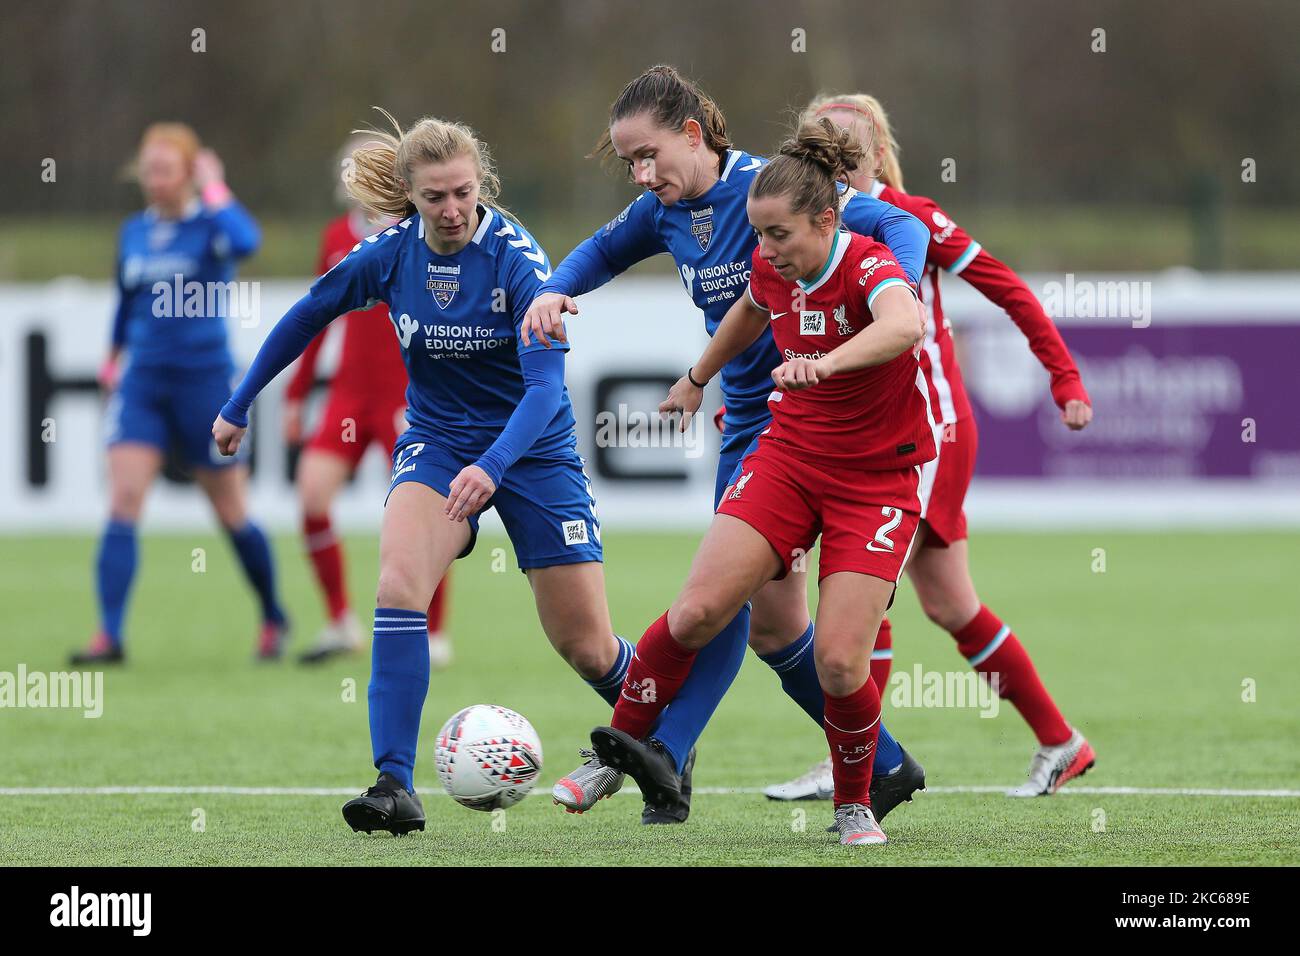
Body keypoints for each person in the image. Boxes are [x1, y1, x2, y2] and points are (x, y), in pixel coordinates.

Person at [525, 65, 932, 825]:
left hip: (808, 427)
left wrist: (889, 302)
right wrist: (554, 290)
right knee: (770, 624)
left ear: (692, 133)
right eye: (629, 164)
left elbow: (898, 228)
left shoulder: (774, 192)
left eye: (650, 155)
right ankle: (886, 762)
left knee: (733, 607)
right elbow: (604, 253)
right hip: (754, 425)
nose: (643, 175)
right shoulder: (665, 210)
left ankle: (666, 752)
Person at [212, 110, 632, 836]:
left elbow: (541, 392)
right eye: (435, 195)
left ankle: (658, 736)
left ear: (481, 186)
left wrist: (494, 468)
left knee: (585, 644)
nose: (452, 209)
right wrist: (241, 402)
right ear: (408, 193)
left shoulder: (517, 260)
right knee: (398, 585)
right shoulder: (389, 253)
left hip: (531, 449)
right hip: (436, 442)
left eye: (464, 192)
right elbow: (308, 316)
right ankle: (393, 787)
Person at [761, 93, 1096, 801]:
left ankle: (859, 763)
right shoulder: (805, 225)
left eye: (850, 150)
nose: (839, 162)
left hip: (931, 432)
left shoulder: (907, 217)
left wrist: (1064, 377)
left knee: (863, 592)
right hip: (879, 435)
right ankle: (1059, 741)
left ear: (879, 153)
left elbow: (1006, 289)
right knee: (948, 604)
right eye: (823, 148)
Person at [72, 122, 287, 665]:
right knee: (122, 500)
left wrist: (216, 188)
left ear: (190, 173)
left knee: (230, 508)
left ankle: (271, 614)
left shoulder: (211, 226)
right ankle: (110, 635)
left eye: (166, 171)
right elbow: (126, 302)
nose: (154, 181)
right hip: (144, 382)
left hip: (204, 382)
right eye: (148, 171)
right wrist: (111, 357)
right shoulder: (134, 233)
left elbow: (247, 241)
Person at [286, 134, 452, 668]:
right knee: (312, 496)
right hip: (349, 394)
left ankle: (434, 630)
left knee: (429, 513)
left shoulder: (419, 234)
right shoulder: (336, 237)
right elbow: (316, 317)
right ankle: (340, 621)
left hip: (408, 395)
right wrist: (295, 393)